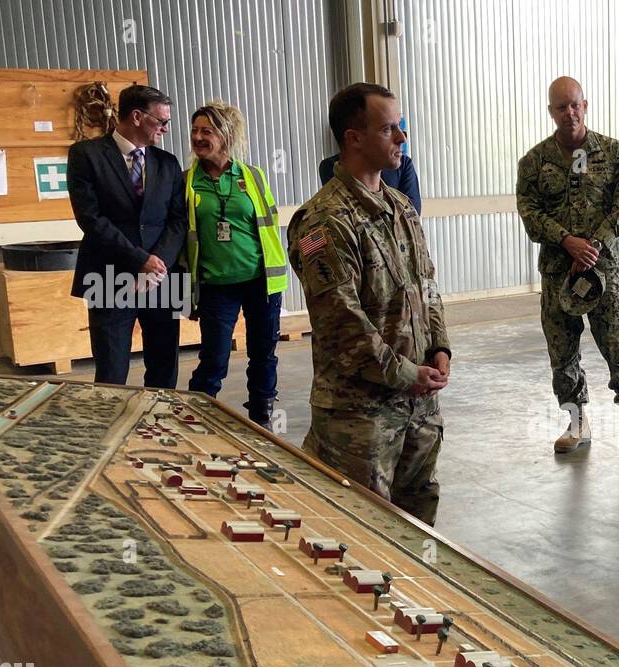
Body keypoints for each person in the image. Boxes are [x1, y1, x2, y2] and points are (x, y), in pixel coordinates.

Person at [287, 83, 450, 526]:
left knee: (418, 535)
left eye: (400, 127)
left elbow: (427, 285)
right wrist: (408, 374)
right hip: (360, 419)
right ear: (353, 138)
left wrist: (439, 347)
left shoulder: (401, 208)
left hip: (418, 409)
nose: (401, 138)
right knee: (359, 535)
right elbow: (343, 325)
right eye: (388, 129)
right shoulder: (324, 221)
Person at [516, 76, 619, 460]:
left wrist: (593, 245)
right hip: (559, 273)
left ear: (585, 105)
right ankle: (576, 424)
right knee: (562, 352)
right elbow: (530, 214)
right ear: (551, 111)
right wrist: (566, 240)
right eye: (561, 107)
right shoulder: (534, 162)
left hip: (604, 270)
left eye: (575, 105)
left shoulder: (616, 154)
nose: (569, 112)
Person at [68, 84, 186, 387]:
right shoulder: (86, 155)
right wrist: (139, 260)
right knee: (111, 368)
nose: (165, 129)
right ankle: (111, 417)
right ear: (136, 117)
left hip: (162, 278)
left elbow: (178, 220)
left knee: (164, 366)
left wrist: (157, 263)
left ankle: (159, 415)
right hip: (109, 276)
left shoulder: (168, 163)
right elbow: (90, 218)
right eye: (161, 121)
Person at [183, 101, 289, 429]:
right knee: (214, 358)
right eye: (195, 130)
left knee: (263, 355)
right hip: (216, 286)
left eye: (207, 131)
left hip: (261, 281)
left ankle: (262, 421)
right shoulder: (186, 181)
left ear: (227, 135)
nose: (198, 137)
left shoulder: (252, 176)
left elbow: (269, 224)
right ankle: (196, 418)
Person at [318, 150, 421, 212]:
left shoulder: (403, 163)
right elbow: (340, 211)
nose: (402, 137)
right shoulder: (330, 166)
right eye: (386, 129)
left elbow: (413, 211)